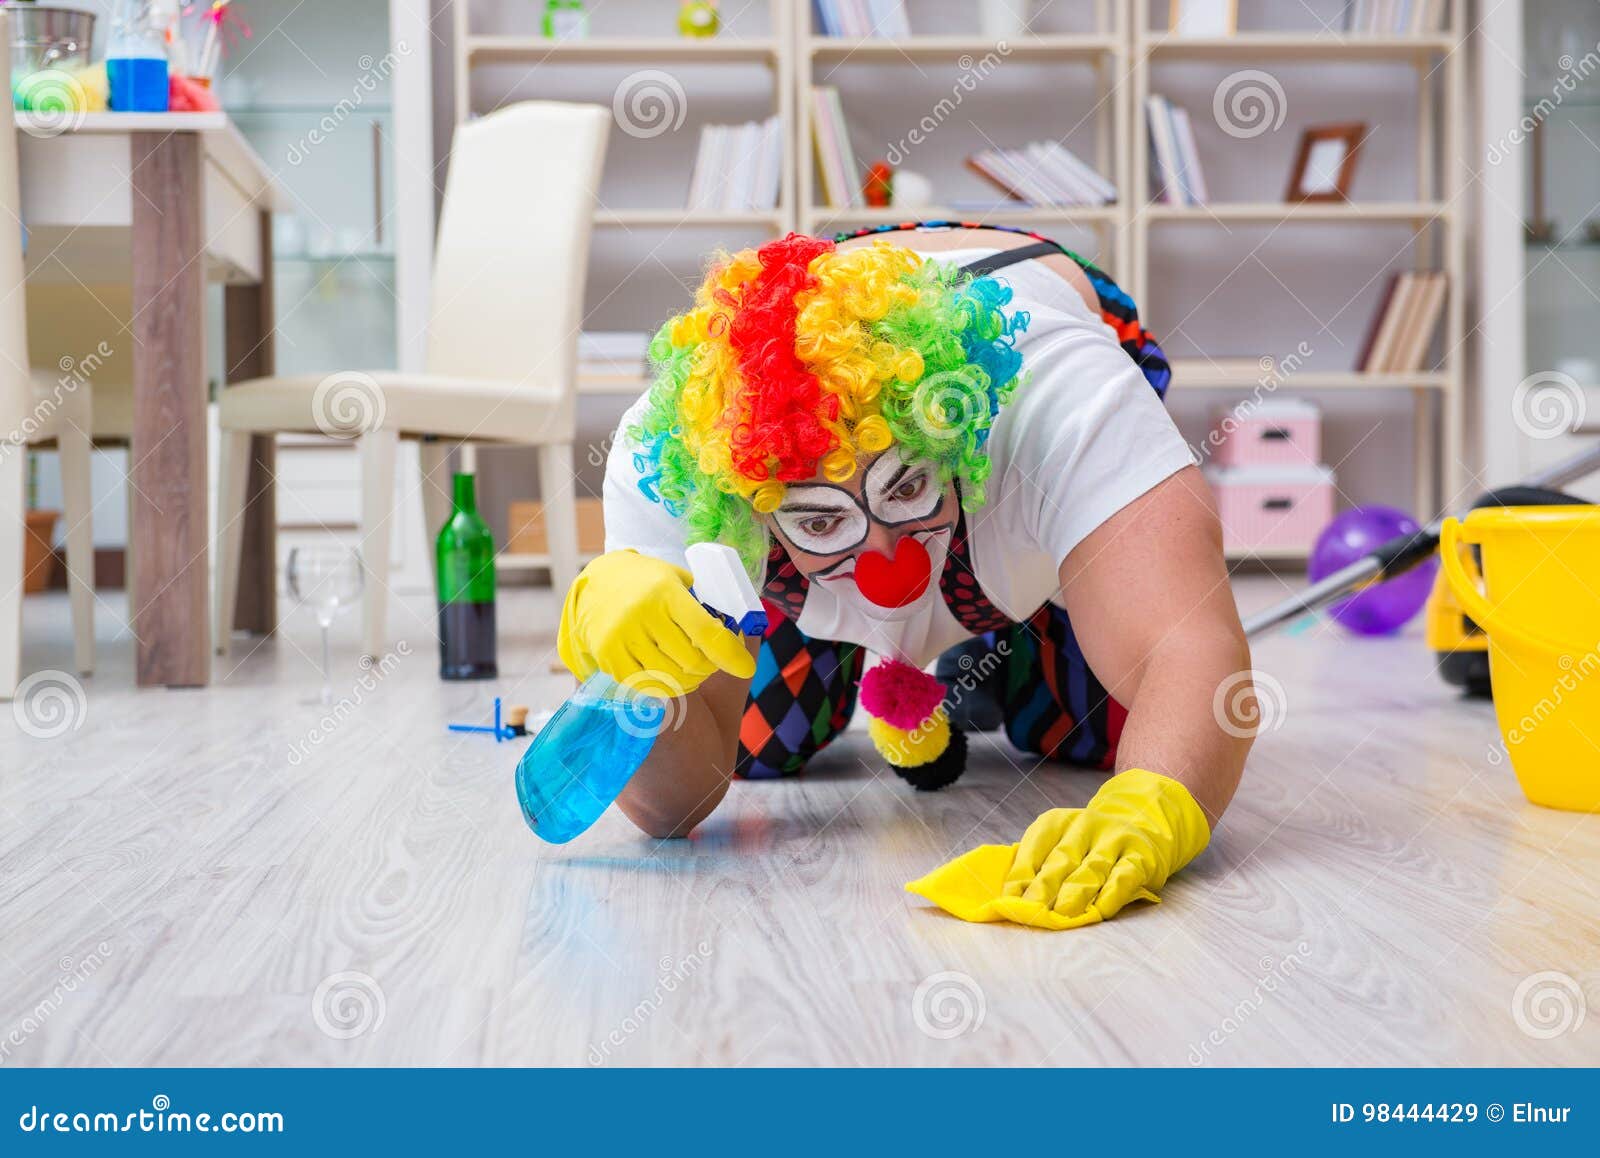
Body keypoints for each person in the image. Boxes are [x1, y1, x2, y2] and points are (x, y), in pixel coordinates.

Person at [558, 223, 1254, 926]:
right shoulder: (678, 460)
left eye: (908, 486)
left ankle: (986, 645)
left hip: (1013, 413)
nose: (890, 565)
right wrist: (621, 672)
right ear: (751, 515)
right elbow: (673, 808)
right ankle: (907, 621)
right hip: (809, 527)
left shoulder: (1062, 396)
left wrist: (1151, 806)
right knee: (765, 746)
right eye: (820, 522)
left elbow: (1191, 651)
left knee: (1091, 731)